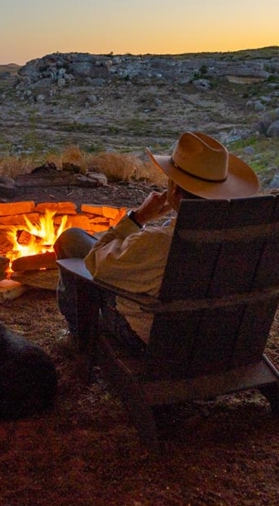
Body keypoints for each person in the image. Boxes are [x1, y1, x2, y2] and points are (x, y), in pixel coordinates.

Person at [54, 131, 260, 350]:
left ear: (176, 192)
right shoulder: (248, 237)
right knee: (78, 239)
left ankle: (79, 341)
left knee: (71, 239)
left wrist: (138, 218)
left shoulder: (159, 242)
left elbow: (95, 262)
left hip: (155, 337)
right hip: (220, 337)